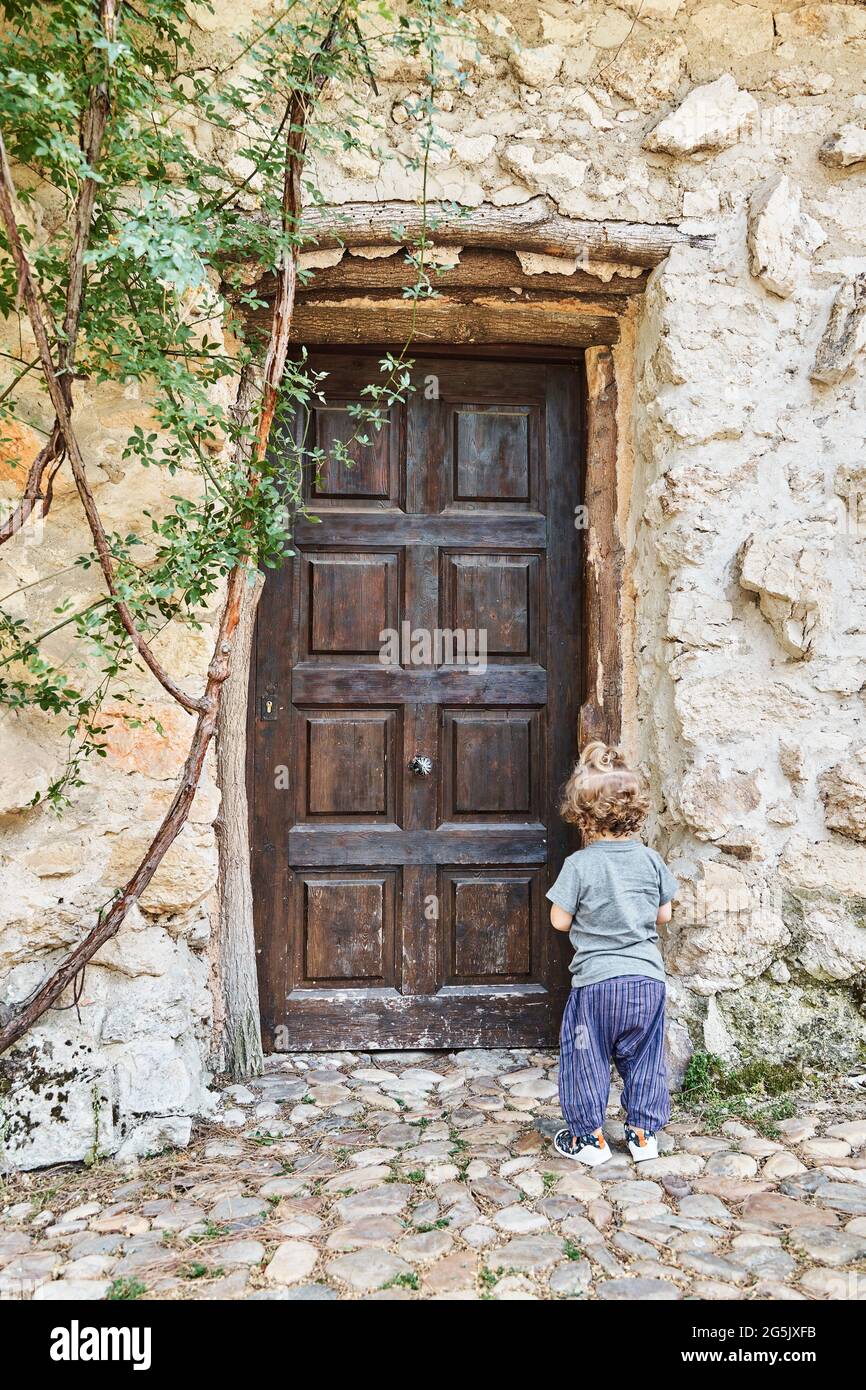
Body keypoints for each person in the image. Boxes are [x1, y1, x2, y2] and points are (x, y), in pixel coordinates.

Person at [547, 741, 678, 1166]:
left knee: (585, 1056)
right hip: (646, 982)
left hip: (596, 986)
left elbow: (559, 921)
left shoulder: (580, 865)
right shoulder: (651, 861)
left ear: (584, 816)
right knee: (645, 1056)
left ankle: (588, 1138)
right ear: (635, 810)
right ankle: (643, 1135)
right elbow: (664, 914)